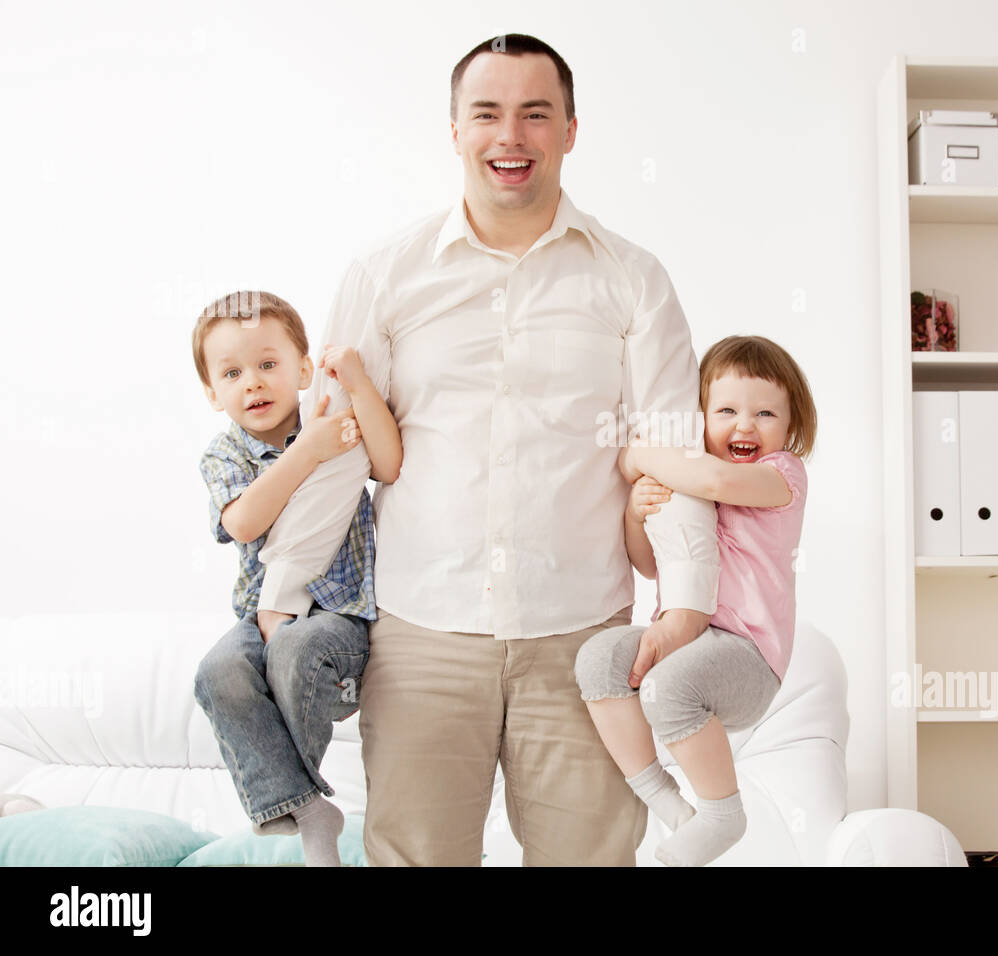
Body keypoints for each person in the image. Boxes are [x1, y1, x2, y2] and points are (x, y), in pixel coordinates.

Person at [251, 34, 722, 866]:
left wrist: (684, 600)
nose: (512, 136)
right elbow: (336, 451)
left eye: (535, 114)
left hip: (583, 634)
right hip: (420, 632)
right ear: (455, 131)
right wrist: (284, 588)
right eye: (488, 114)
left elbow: (670, 445)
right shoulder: (384, 273)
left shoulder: (633, 278)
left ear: (571, 129)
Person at [576, 335, 816, 866]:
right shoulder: (686, 486)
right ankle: (663, 799)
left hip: (748, 657)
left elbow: (714, 477)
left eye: (765, 413)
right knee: (598, 659)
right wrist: (637, 513)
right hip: (687, 641)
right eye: (726, 410)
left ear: (791, 425)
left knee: (667, 687)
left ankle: (722, 814)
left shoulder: (781, 476)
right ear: (699, 416)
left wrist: (637, 455)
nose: (745, 426)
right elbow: (646, 564)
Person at [191, 290, 403, 866]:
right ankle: (308, 808)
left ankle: (321, 730)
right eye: (232, 373)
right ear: (213, 393)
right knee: (217, 671)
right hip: (255, 614)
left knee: (296, 646)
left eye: (267, 365)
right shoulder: (224, 455)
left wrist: (357, 386)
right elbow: (243, 521)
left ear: (303, 369)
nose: (252, 383)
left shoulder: (334, 422)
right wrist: (303, 454)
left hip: (336, 618)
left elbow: (387, 466)